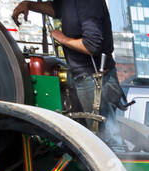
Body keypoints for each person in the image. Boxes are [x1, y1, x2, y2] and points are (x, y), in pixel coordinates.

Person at [13, 1, 123, 142]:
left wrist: (63, 39)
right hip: (83, 77)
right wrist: (29, 5)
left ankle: (116, 163)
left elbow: (92, 45)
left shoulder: (87, 3)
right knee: (89, 139)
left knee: (105, 140)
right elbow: (57, 9)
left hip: (94, 78)